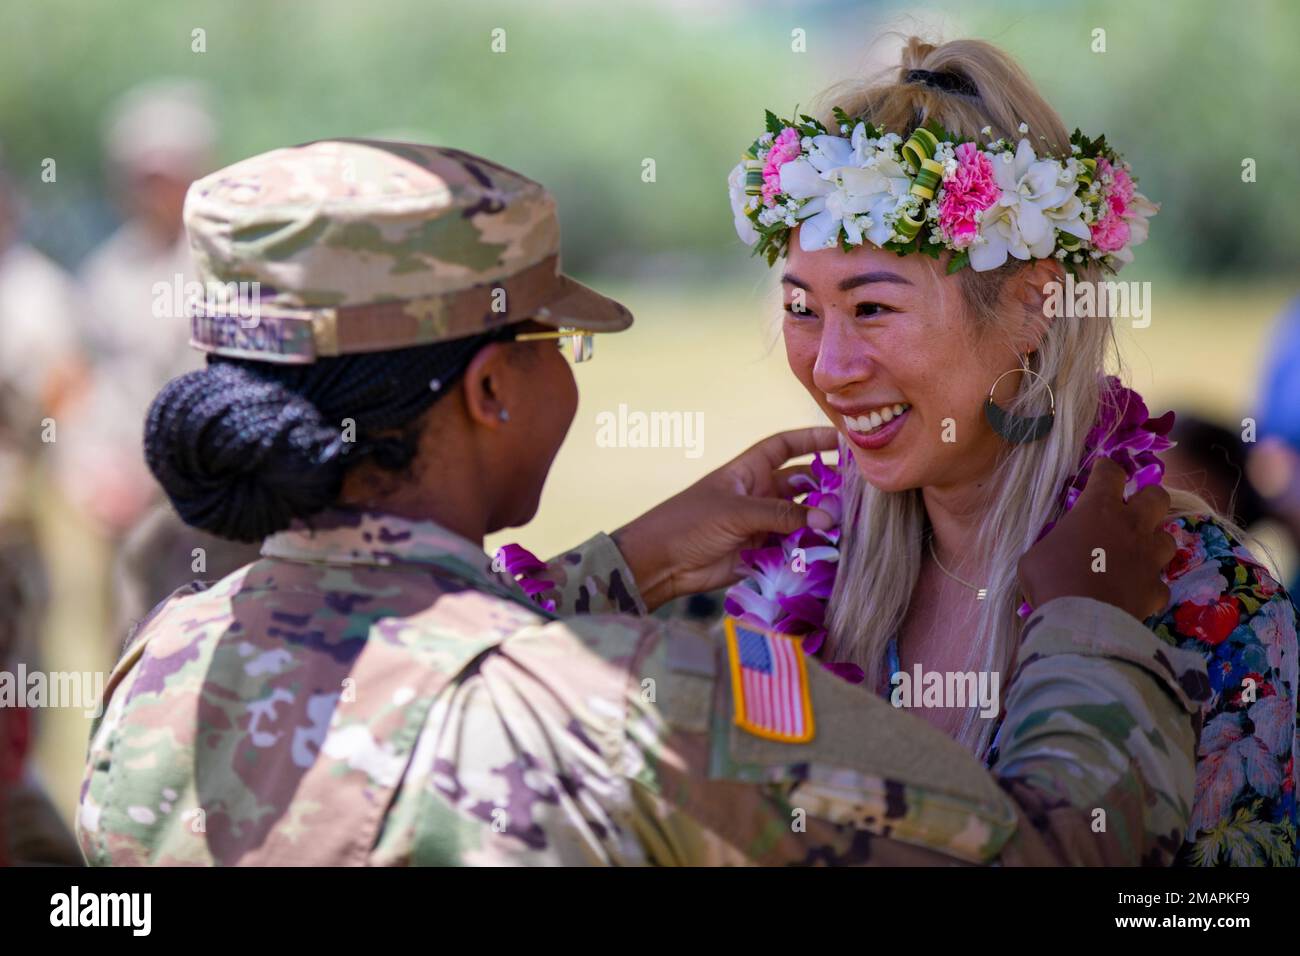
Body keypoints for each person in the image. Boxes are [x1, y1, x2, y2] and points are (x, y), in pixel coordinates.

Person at [76, 139, 1204, 866]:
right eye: (557, 338)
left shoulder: (164, 664)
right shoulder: (654, 704)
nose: (834, 359)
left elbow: (404, 655)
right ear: (489, 388)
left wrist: (630, 562)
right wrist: (1087, 622)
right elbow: (1047, 855)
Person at [725, 36, 1298, 866]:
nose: (831, 365)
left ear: (1033, 306)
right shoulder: (783, 568)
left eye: (874, 309)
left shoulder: (1207, 593)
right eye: (801, 306)